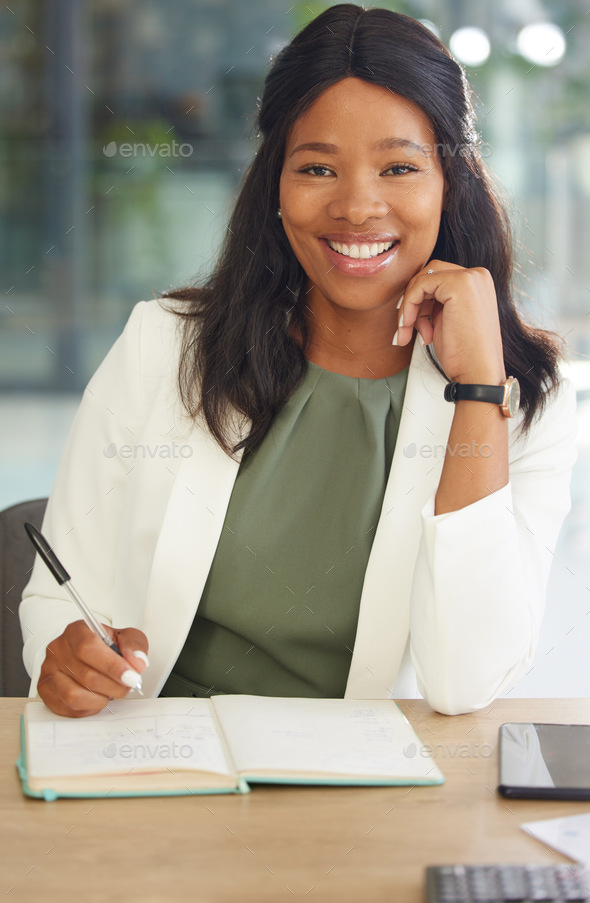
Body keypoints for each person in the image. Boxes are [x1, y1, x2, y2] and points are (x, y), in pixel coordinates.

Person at [20, 4, 577, 718]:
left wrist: (475, 388)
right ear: (275, 188)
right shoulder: (162, 345)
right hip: (164, 771)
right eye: (317, 167)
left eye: (399, 166)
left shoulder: (527, 401)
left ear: (452, 182)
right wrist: (64, 658)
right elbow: (55, 598)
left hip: (366, 794)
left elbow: (466, 681)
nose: (356, 206)